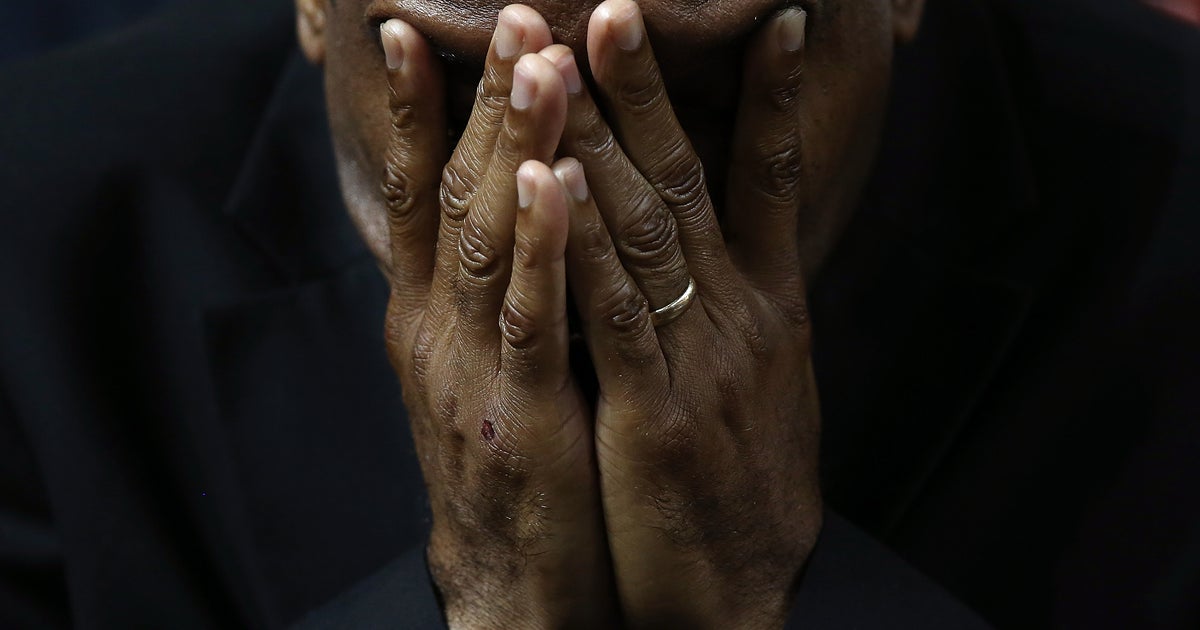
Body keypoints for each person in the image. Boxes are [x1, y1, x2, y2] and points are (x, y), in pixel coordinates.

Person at [0, 0, 1195, 628]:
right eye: (466, 84)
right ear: (315, 6)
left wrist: (773, 586)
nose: (565, 191)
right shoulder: (35, 233)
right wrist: (479, 596)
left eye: (696, 96)